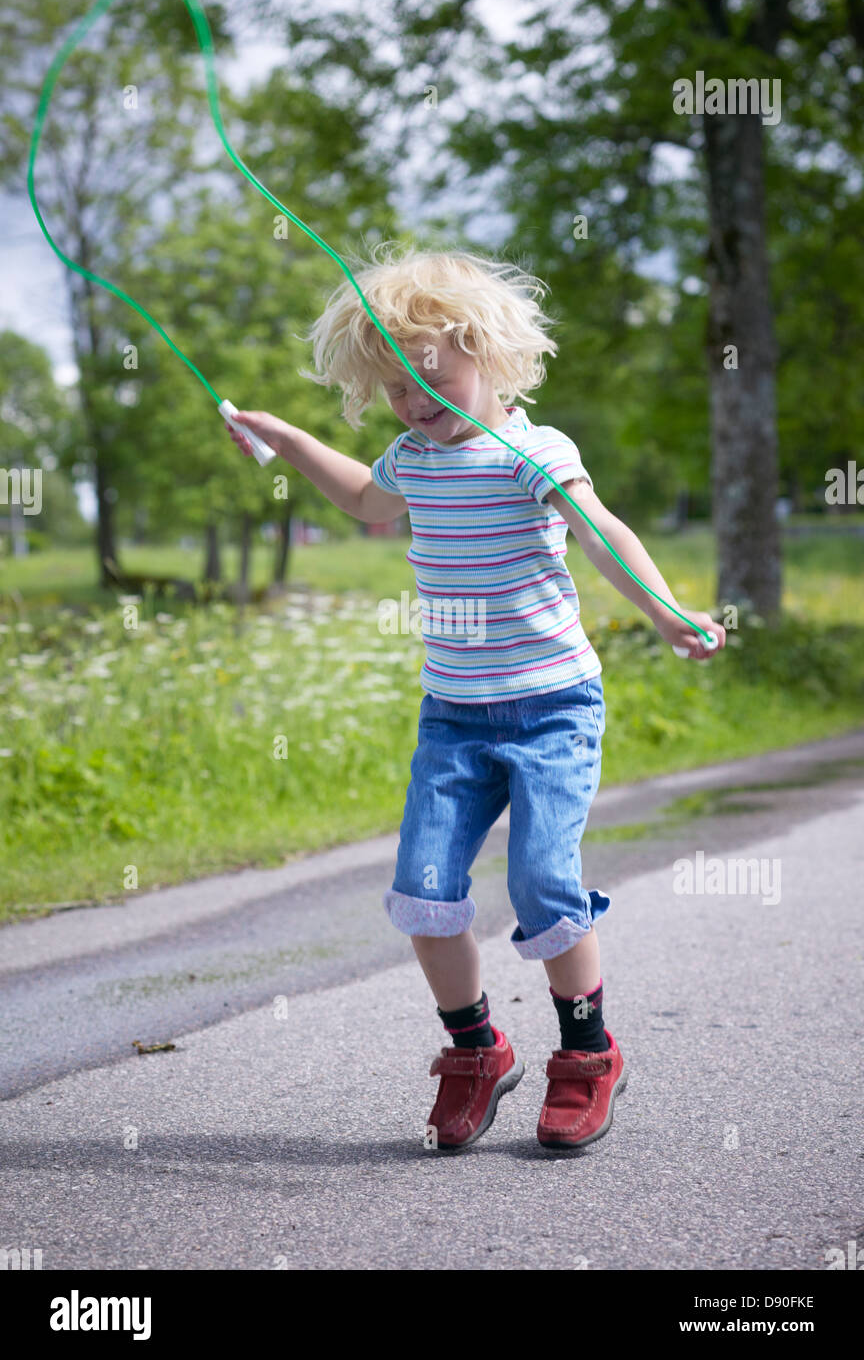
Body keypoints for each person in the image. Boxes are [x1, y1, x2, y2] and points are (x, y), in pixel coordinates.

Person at [225, 244, 725, 1152]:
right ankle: (476, 1052)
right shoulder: (412, 456)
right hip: (453, 717)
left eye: (434, 381)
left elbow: (600, 529)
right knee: (422, 892)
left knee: (541, 882)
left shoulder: (531, 450)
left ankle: (586, 1055)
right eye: (398, 391)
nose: (417, 404)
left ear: (490, 358)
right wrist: (290, 441)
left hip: (551, 707)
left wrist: (661, 612)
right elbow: (369, 505)